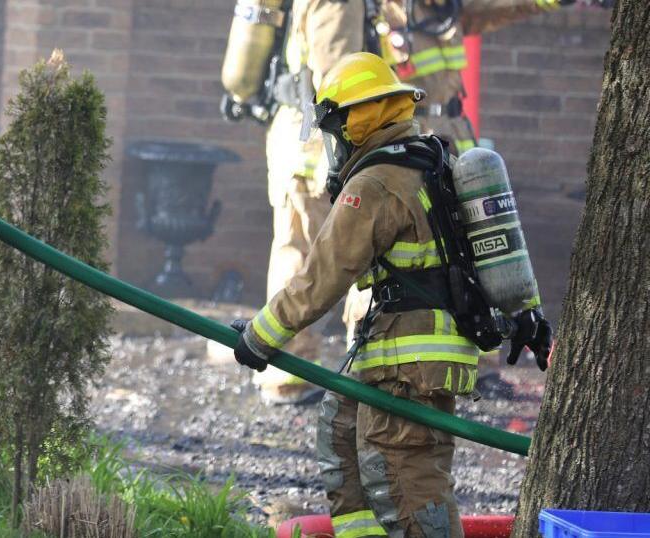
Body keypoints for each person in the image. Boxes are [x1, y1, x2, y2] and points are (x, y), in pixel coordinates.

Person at [232, 52, 548, 537]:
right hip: (408, 351)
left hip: (411, 359)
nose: (332, 143)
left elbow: (322, 276)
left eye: (334, 129)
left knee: (406, 476)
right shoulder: (427, 161)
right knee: (342, 428)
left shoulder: (376, 184)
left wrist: (259, 338)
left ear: (353, 124)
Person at [250, 0, 605, 405]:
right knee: (330, 257)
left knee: (451, 254)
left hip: (421, 141)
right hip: (332, 151)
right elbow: (341, 84)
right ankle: (303, 376)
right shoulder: (344, 5)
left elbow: (477, 8)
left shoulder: (421, 6)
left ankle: (463, 366)